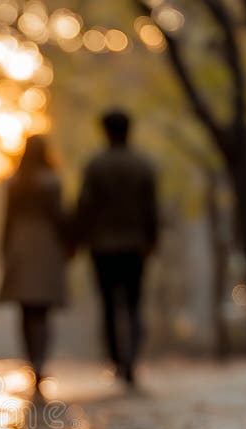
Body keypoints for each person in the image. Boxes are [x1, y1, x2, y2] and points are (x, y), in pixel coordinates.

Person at [77, 109, 159, 386]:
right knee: (134, 303)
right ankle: (131, 358)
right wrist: (152, 239)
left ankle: (117, 360)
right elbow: (152, 208)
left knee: (109, 304)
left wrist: (79, 237)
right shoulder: (143, 165)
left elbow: (85, 206)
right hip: (135, 244)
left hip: (102, 245)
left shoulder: (95, 165)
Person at [0, 136, 69, 384]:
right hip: (46, 246)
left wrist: (4, 249)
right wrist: (68, 245)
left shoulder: (14, 183)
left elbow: (6, 220)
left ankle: (32, 360)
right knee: (43, 309)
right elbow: (60, 218)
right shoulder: (53, 182)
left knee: (26, 309)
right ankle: (41, 360)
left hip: (21, 244)